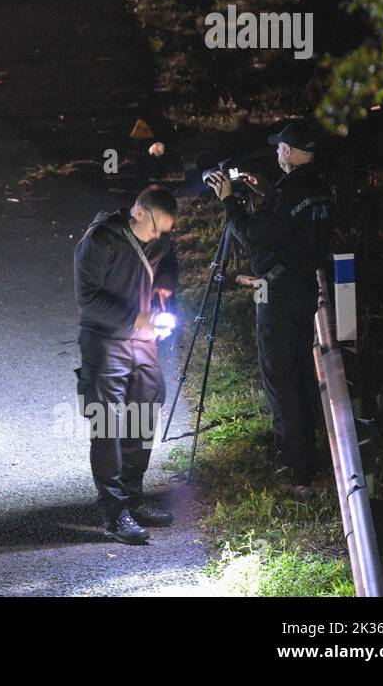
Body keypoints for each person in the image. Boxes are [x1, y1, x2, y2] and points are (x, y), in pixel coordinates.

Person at [205, 122, 332, 494]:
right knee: (302, 372)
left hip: (272, 292)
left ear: (289, 153)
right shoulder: (319, 188)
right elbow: (292, 226)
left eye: (280, 149)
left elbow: (253, 236)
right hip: (305, 288)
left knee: (279, 377)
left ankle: (295, 467)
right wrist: (265, 193)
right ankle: (309, 455)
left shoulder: (288, 192)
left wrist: (228, 199)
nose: (277, 154)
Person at [73, 185, 179, 545]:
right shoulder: (99, 241)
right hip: (105, 342)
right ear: (138, 211)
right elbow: (87, 297)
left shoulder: (158, 238)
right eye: (154, 228)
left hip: (144, 343)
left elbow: (168, 260)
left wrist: (164, 287)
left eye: (164, 231)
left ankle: (133, 498)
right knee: (109, 425)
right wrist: (134, 318)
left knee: (145, 411)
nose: (158, 237)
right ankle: (114, 513)